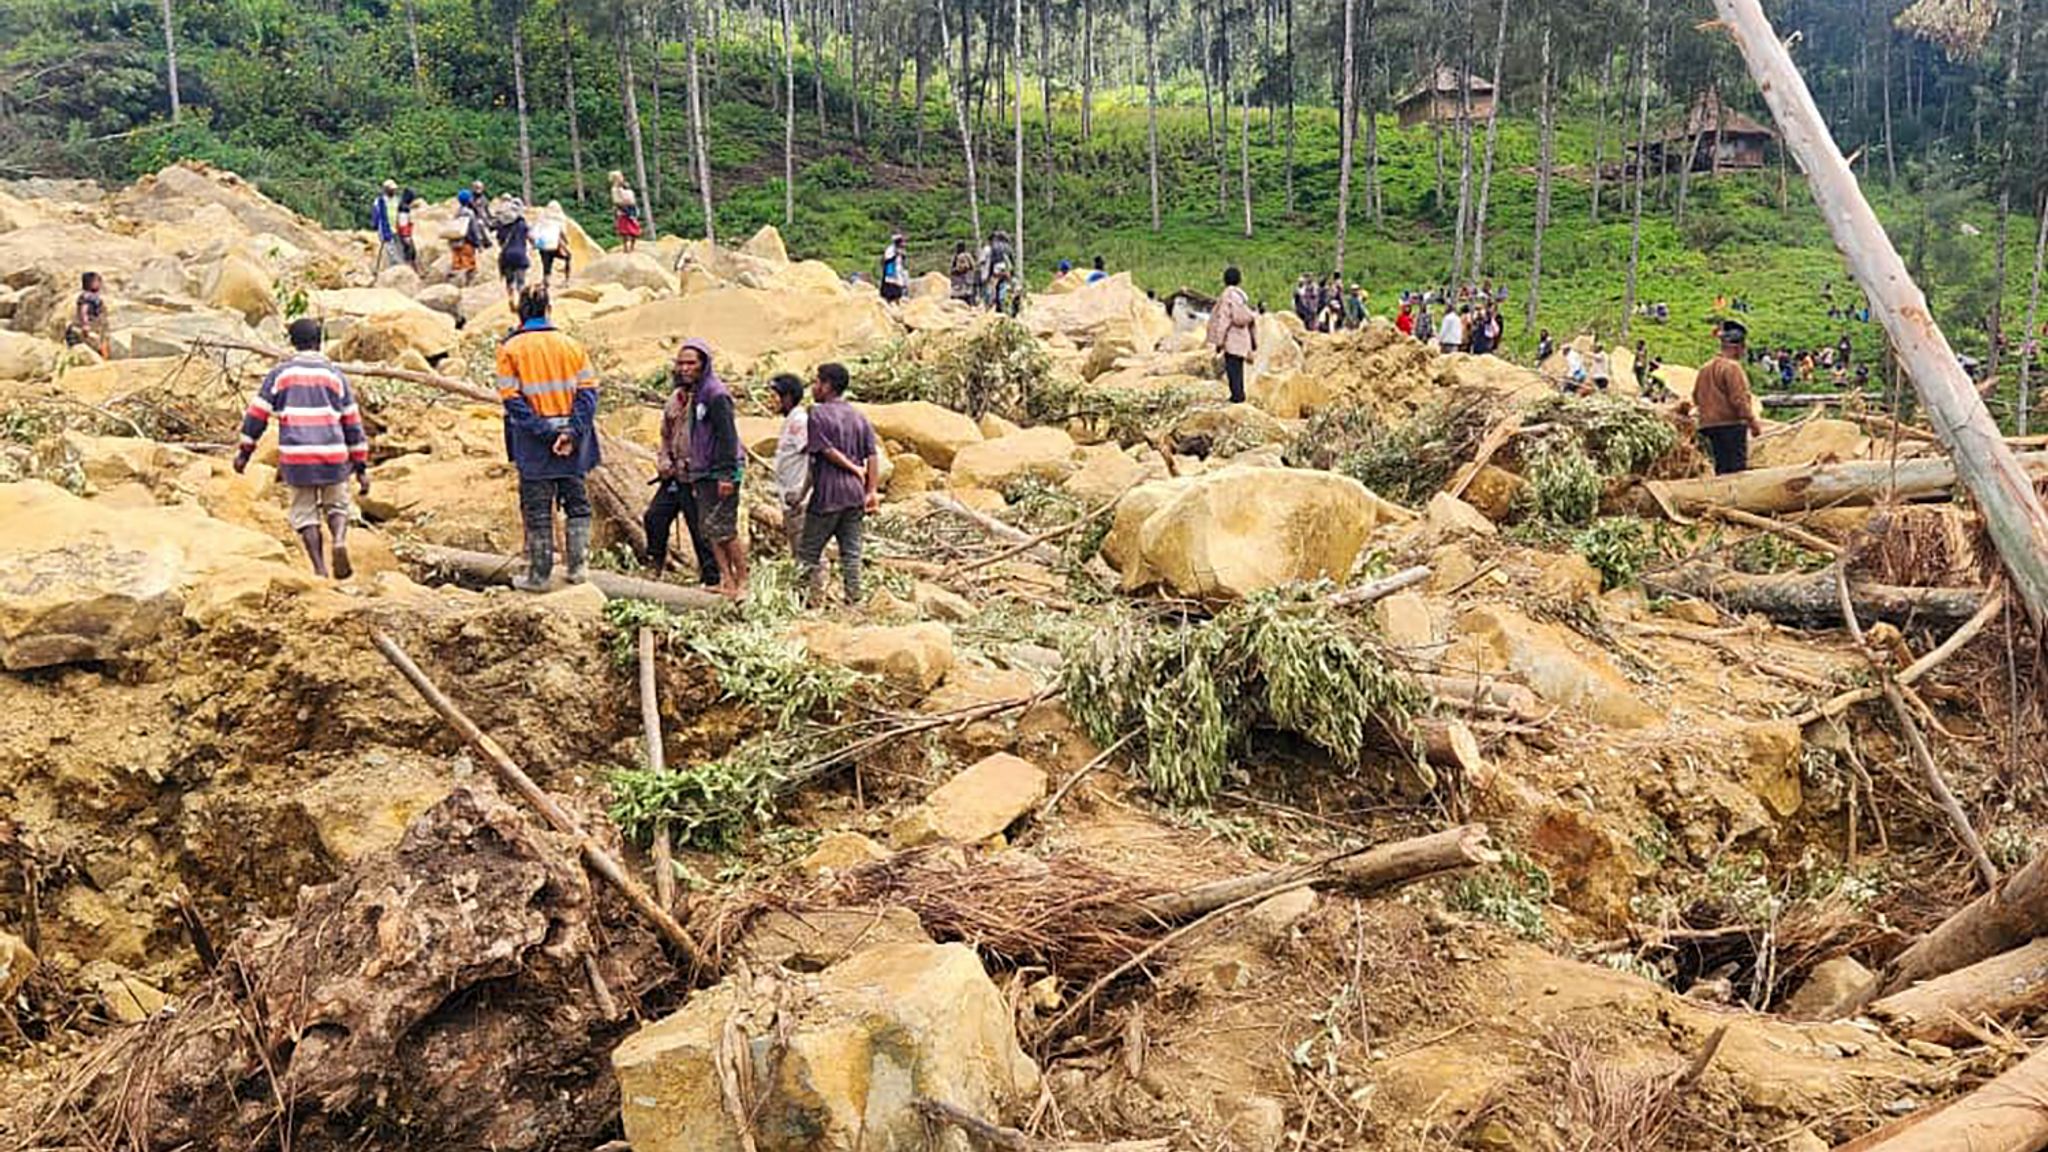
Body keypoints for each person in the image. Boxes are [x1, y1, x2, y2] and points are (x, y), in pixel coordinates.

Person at [234, 318, 370, 580]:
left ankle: (319, 568)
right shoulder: (335, 376)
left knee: (304, 511)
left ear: (292, 343)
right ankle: (339, 540)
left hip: (297, 457)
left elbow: (257, 415)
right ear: (319, 343)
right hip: (332, 454)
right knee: (338, 504)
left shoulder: (280, 374)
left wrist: (245, 452)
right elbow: (352, 422)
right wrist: (361, 466)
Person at [496, 286, 600, 591]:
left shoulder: (510, 349)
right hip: (574, 443)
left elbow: (512, 400)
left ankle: (539, 576)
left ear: (520, 312)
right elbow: (588, 393)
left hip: (533, 443)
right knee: (577, 504)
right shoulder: (571, 345)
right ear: (548, 309)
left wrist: (546, 432)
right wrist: (571, 431)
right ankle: (578, 569)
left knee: (538, 507)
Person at [648, 340, 746, 598]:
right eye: (680, 363)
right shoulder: (685, 397)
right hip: (689, 474)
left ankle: (739, 581)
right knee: (706, 528)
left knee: (723, 529)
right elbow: (667, 435)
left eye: (691, 363)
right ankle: (725, 580)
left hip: (716, 472)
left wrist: (726, 474)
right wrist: (666, 460)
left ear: (704, 364)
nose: (684, 368)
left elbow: (727, 437)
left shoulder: (715, 395)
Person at [796, 362, 881, 605]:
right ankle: (854, 600)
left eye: (816, 382)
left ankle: (797, 600)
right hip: (855, 494)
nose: (813, 387)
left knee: (808, 553)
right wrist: (871, 490)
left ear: (827, 386)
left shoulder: (817, 413)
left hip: (829, 493)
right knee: (851, 553)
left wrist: (852, 467)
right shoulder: (858, 416)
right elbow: (872, 455)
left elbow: (824, 450)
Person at [1695, 321, 1763, 475]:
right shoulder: (1732, 367)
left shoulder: (1705, 368)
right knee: (1735, 471)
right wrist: (1753, 424)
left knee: (1720, 469)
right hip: (1730, 427)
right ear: (1737, 347)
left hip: (1708, 427)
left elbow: (1696, 397)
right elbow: (1739, 400)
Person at [770, 373, 810, 553]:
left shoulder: (799, 422)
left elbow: (813, 453)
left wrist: (802, 493)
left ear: (787, 397)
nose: (771, 401)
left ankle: (816, 582)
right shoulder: (790, 421)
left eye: (774, 396)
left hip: (799, 497)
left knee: (806, 551)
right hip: (790, 497)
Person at [1205, 266, 1258, 404]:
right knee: (1238, 368)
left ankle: (1237, 396)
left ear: (1224, 280)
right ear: (1239, 280)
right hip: (1242, 337)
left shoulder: (1227, 296)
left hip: (1231, 338)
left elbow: (1224, 319)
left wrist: (1219, 340)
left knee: (1232, 368)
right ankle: (1239, 394)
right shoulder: (1241, 296)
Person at [494, 197, 533, 304]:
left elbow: (499, 241)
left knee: (509, 280)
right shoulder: (522, 224)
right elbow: (531, 238)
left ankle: (511, 298)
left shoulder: (502, 226)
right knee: (521, 282)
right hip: (520, 255)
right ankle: (521, 301)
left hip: (506, 256)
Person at [66, 271, 109, 358]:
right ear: (91, 283)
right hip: (88, 326)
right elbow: (83, 310)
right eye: (98, 281)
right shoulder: (87, 297)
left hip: (94, 326)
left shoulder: (93, 296)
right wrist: (85, 325)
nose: (100, 284)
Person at [448, 190, 485, 287]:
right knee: (468, 265)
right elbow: (474, 230)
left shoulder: (457, 213)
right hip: (467, 243)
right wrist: (479, 244)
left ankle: (455, 286)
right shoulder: (470, 213)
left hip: (455, 242)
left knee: (456, 265)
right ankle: (466, 287)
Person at [532, 201, 571, 286]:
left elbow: (535, 230)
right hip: (554, 244)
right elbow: (562, 232)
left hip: (542, 244)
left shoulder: (542, 217)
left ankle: (546, 278)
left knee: (546, 261)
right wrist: (566, 241)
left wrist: (535, 243)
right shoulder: (560, 218)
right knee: (568, 257)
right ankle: (566, 279)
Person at [371, 179, 405, 273]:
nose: (393, 191)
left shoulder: (397, 200)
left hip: (396, 228)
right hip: (385, 229)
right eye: (391, 189)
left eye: (394, 189)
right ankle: (395, 270)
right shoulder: (380, 201)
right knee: (391, 250)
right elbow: (375, 214)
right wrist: (375, 225)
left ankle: (399, 268)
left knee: (399, 249)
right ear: (386, 189)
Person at [610, 171, 643, 253]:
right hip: (623, 210)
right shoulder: (615, 189)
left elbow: (631, 197)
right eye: (619, 177)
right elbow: (617, 201)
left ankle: (631, 247)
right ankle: (626, 247)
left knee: (634, 230)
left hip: (630, 208)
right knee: (624, 231)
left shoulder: (624, 186)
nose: (621, 179)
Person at [880, 232, 910, 303]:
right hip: (891, 270)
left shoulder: (901, 249)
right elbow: (887, 258)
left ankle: (898, 298)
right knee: (891, 285)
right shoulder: (890, 249)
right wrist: (895, 255)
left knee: (901, 283)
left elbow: (903, 260)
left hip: (899, 269)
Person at [396, 188, 420, 268]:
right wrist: (406, 236)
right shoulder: (404, 208)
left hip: (403, 232)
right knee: (409, 252)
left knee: (411, 252)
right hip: (404, 233)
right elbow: (403, 223)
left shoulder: (402, 205)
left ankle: (412, 268)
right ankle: (409, 268)